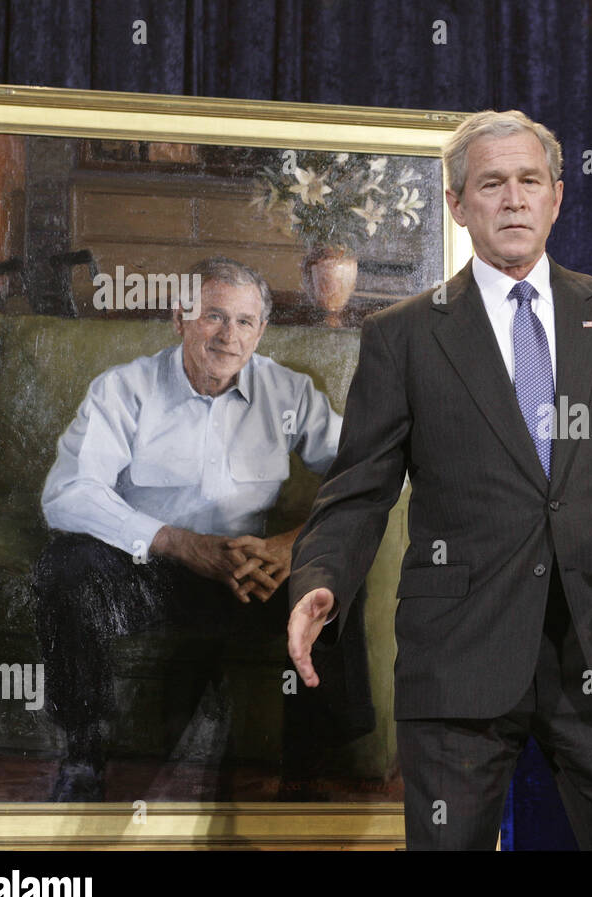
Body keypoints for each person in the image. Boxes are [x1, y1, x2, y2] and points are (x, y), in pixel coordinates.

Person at [286, 109, 592, 849]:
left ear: (557, 196)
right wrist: (321, 577)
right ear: (458, 205)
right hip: (460, 650)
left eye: (530, 181)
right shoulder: (404, 335)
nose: (514, 199)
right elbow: (359, 486)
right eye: (492, 183)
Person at [34, 256, 372, 801]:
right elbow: (67, 493)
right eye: (214, 316)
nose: (228, 336)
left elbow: (368, 474)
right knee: (65, 566)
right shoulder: (125, 390)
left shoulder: (288, 394)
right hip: (147, 574)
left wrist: (292, 546)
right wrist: (175, 541)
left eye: (244, 321)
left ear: (261, 330)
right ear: (180, 318)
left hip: (247, 574)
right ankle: (82, 754)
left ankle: (310, 769)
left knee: (332, 572)